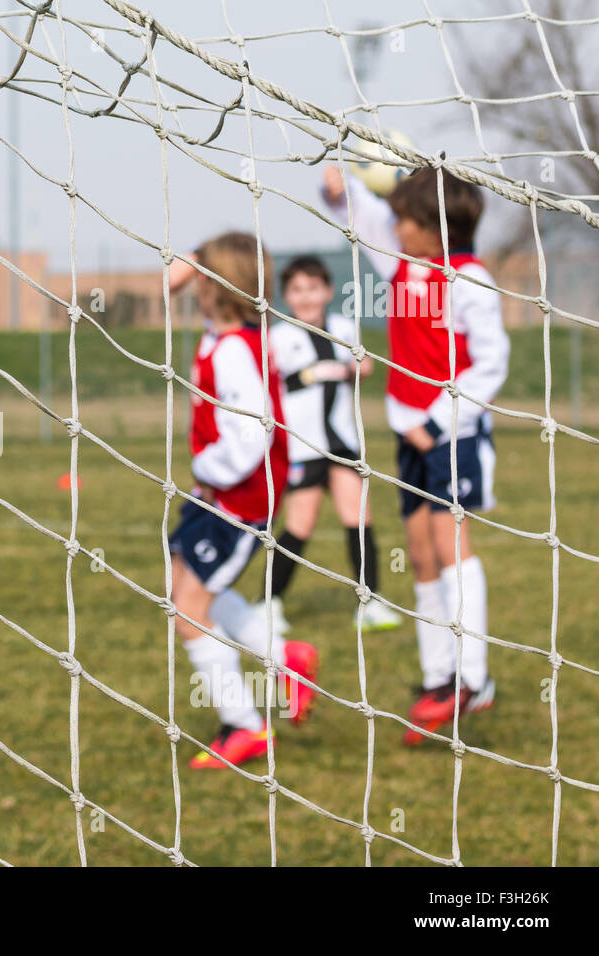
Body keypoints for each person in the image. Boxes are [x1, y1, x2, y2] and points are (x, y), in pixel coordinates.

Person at [323, 163, 508, 744]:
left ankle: (473, 678)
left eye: (407, 219)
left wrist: (438, 420)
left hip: (453, 434)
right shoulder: (401, 265)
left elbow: (490, 363)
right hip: (412, 437)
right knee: (421, 552)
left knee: (452, 545)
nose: (396, 226)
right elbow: (365, 217)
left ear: (437, 228)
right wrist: (340, 189)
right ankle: (439, 676)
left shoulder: (469, 280)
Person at [167, 232, 319, 769]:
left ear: (216, 285)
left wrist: (208, 467)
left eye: (201, 275)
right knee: (181, 585)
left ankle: (246, 726)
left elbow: (252, 435)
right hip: (214, 495)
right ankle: (285, 660)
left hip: (237, 499)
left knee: (189, 612)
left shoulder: (235, 349)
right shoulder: (232, 333)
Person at [258, 255, 402, 635]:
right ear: (287, 295)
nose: (305, 297)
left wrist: (355, 366)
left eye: (312, 288)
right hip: (303, 446)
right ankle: (267, 604)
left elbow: (365, 365)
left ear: (326, 291)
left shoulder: (341, 327)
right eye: (296, 290)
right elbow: (274, 385)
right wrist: (312, 374)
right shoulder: (279, 336)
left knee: (359, 519)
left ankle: (369, 602)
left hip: (342, 443)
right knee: (299, 525)